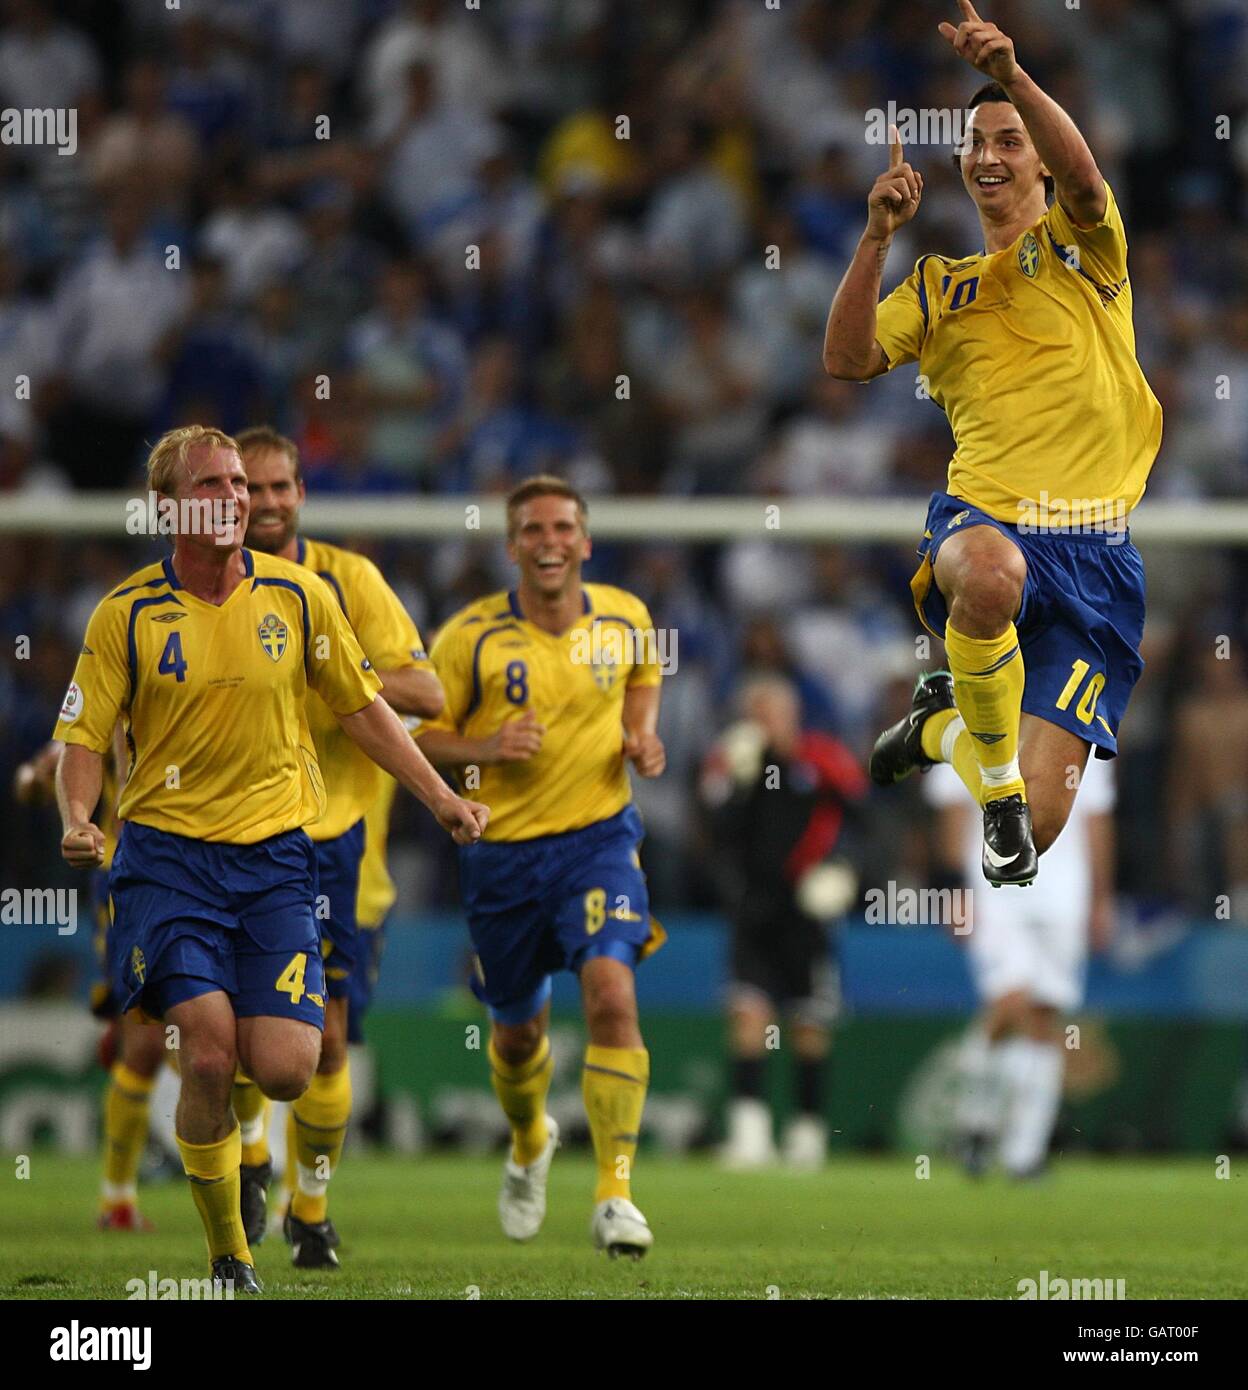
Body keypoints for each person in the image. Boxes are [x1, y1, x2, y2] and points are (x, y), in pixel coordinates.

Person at [54, 425, 486, 1293]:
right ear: (168, 507)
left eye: (241, 484)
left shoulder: (301, 596)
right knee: (208, 1054)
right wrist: (78, 814)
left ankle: (255, 1166)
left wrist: (440, 795)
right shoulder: (125, 614)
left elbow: (366, 709)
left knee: (290, 1068)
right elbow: (83, 736)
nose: (235, 498)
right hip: (169, 863)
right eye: (213, 484)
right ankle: (229, 1257)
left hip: (279, 863)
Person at [824, 3, 1160, 887]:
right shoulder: (940, 287)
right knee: (988, 575)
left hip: (1098, 559)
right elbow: (846, 357)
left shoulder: (1087, 249)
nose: (988, 155)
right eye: (976, 142)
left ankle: (940, 723)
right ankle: (995, 775)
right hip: (988, 523)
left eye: (1009, 139)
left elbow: (1087, 177)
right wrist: (875, 239)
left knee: (1036, 840)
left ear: (1038, 159)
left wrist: (1013, 74)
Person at [415, 475, 666, 1257]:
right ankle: (529, 1141)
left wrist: (641, 736)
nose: (550, 542)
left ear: (585, 541)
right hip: (502, 860)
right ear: (512, 545)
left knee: (611, 991)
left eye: (563, 528)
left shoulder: (627, 616)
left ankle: (616, 1194)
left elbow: (642, 684)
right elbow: (414, 738)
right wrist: (484, 748)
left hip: (597, 840)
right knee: (519, 1036)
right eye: (533, 530)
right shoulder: (469, 637)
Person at [239, 425, 445, 1269]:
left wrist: (329, 664)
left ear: (300, 494)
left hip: (337, 843)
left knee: (325, 1037)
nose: (268, 503)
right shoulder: (205, 591)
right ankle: (251, 1155)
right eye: (251, 489)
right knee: (237, 1031)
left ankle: (310, 1211)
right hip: (236, 835)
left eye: (281, 486)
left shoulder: (347, 580)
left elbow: (426, 691)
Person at [699, 674, 865, 1168]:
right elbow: (714, 834)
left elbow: (864, 825)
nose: (763, 723)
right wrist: (736, 784)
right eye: (756, 713)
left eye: (771, 712)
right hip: (754, 911)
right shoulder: (731, 762)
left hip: (807, 914)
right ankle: (750, 1134)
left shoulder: (825, 759)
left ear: (792, 716)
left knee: (810, 1022)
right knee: (748, 1017)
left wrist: (843, 871)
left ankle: (807, 1135)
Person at [925, 755, 1116, 1178]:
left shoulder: (1083, 725)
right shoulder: (975, 712)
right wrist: (953, 886)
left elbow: (1096, 817)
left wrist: (1101, 897)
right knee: (1009, 1002)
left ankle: (1024, 1152)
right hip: (994, 887)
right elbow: (953, 809)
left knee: (1044, 1017)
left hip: (1065, 892)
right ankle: (975, 1121)